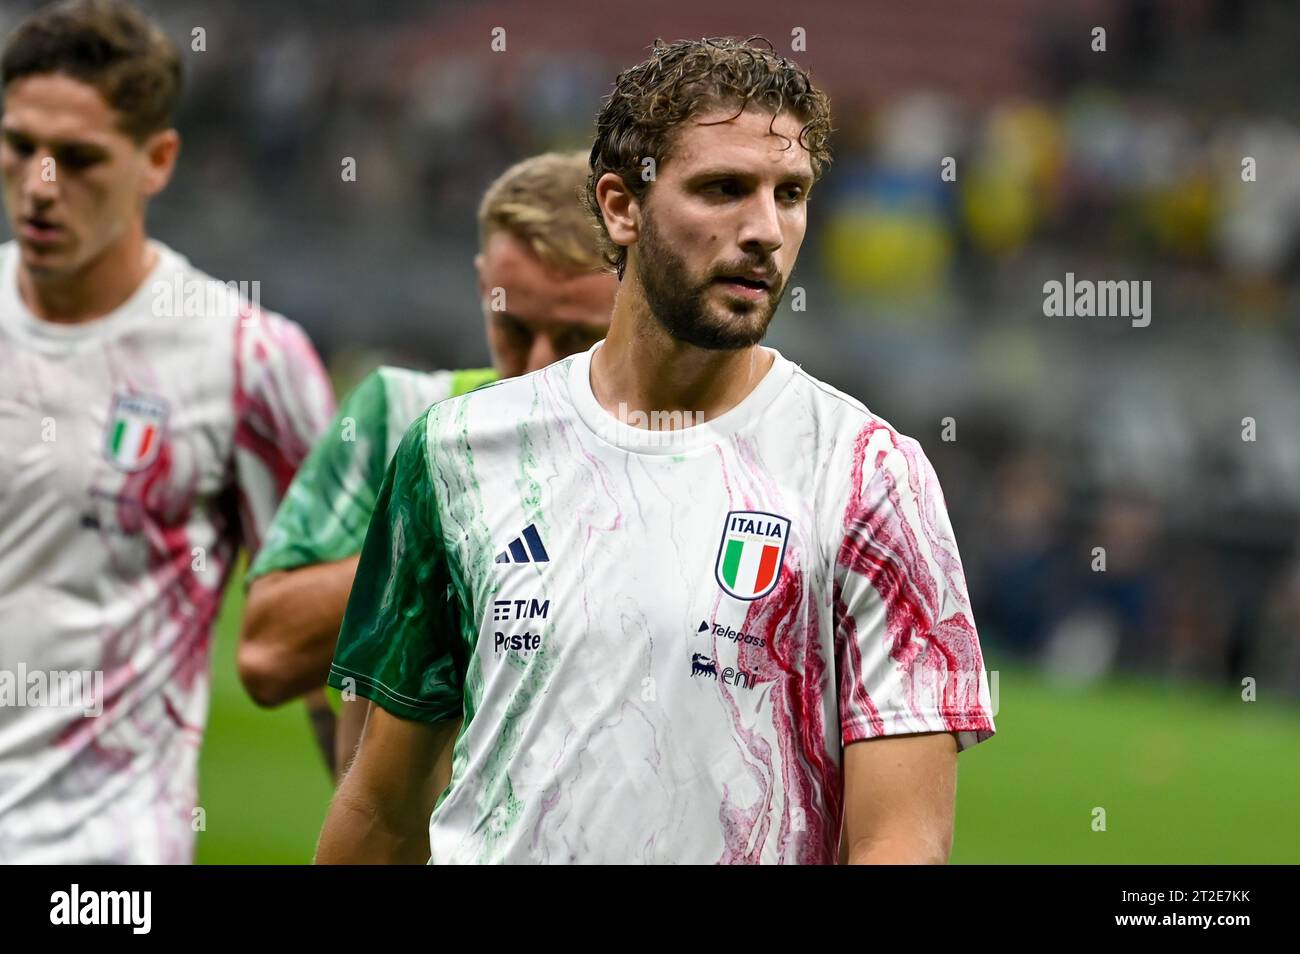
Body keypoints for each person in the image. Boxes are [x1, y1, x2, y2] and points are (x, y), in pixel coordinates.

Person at [317, 37, 995, 865]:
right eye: (723, 190)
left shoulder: (869, 475)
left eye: (791, 195)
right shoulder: (457, 451)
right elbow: (383, 814)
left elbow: (902, 841)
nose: (765, 231)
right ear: (620, 206)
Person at [0, 0, 334, 863]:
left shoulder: (244, 360)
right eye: (19, 147)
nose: (40, 184)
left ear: (157, 160)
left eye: (78, 160)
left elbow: (332, 639)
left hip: (103, 865)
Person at [237, 151, 617, 781]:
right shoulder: (401, 415)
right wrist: (443, 533)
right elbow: (268, 656)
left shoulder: (673, 447)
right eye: (513, 329)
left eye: (578, 338)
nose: (538, 367)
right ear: (482, 285)